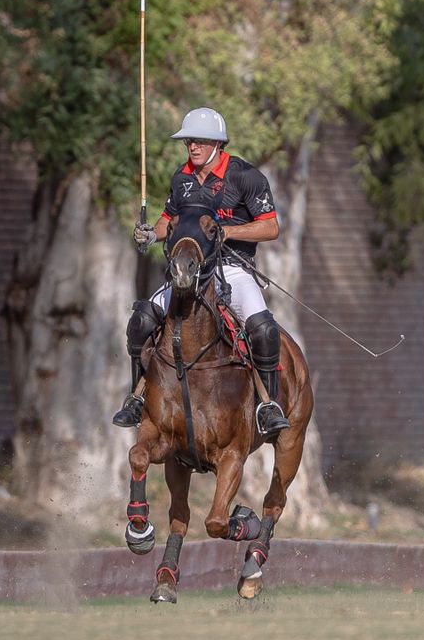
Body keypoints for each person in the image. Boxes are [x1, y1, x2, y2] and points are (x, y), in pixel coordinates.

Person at [112, 107, 292, 436]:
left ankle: (267, 405)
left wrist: (228, 231)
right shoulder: (181, 178)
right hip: (191, 271)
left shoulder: (245, 176)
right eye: (188, 142)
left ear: (217, 144)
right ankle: (137, 397)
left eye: (200, 141)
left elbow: (270, 228)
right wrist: (151, 234)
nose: (192, 147)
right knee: (141, 320)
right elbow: (169, 221)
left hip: (233, 269)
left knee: (264, 330)